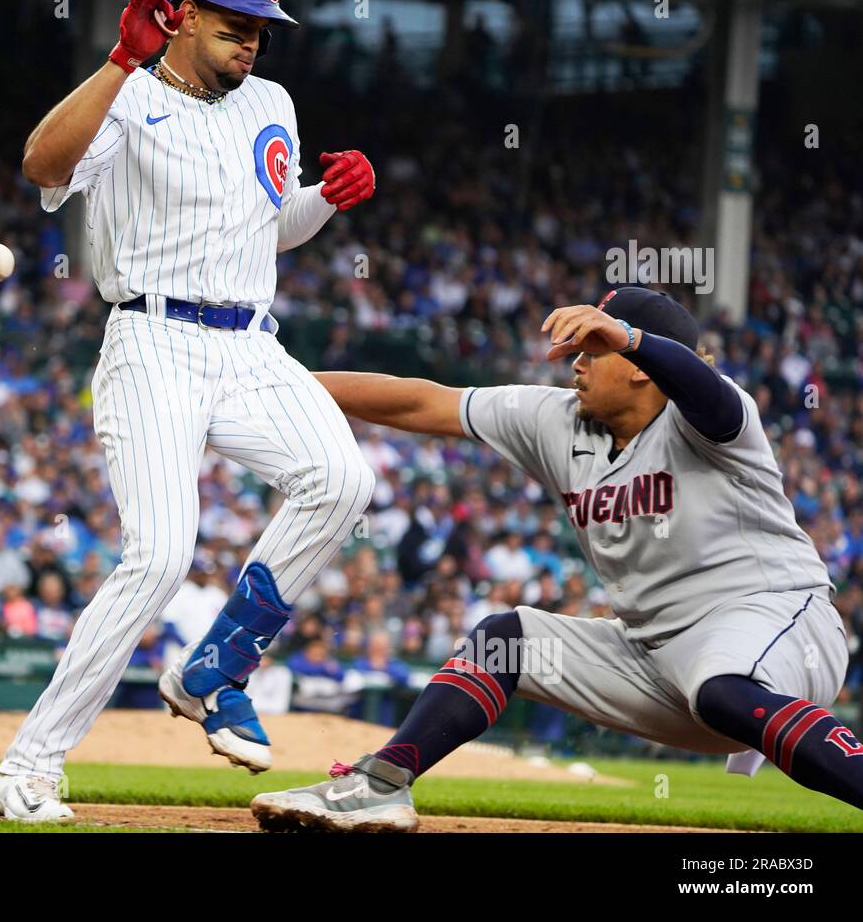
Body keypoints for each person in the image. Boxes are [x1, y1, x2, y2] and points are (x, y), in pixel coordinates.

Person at [0, 0, 377, 823]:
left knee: (345, 481)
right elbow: (41, 166)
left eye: (261, 28)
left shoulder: (271, 102)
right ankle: (28, 768)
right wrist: (119, 61)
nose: (252, 41)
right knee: (160, 556)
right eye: (235, 25)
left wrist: (325, 202)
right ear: (184, 16)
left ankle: (214, 670)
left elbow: (268, 226)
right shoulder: (127, 94)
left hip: (250, 342)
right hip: (153, 336)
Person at [252, 288, 859, 832]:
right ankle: (380, 785)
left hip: (778, 620)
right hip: (659, 658)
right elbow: (421, 403)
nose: (577, 363)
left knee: (722, 687)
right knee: (505, 641)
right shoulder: (557, 419)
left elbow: (707, 393)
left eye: (594, 349)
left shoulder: (708, 419)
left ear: (641, 366)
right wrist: (281, 383)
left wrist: (631, 338)